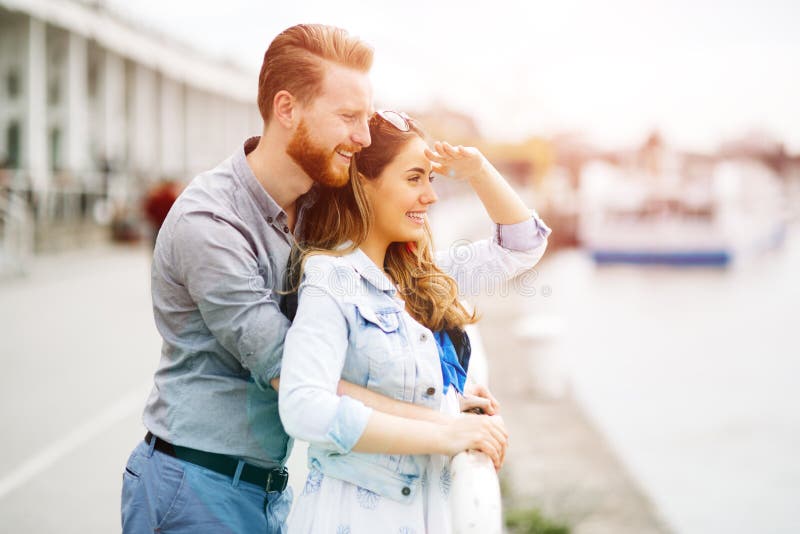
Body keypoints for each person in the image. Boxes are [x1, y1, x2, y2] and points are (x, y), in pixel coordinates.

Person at [120, 25, 468, 533]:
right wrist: (441, 421)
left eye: (366, 119)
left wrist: (442, 385)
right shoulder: (210, 224)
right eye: (348, 118)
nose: (364, 138)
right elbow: (298, 374)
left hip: (268, 489)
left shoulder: (315, 205)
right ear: (287, 109)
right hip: (195, 485)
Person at [279, 110, 551, 533]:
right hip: (356, 518)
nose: (431, 196)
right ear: (363, 184)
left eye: (432, 179)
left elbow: (523, 245)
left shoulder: (425, 276)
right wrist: (446, 432)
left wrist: (477, 169)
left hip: (428, 514)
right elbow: (303, 407)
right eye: (414, 179)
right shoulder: (331, 278)